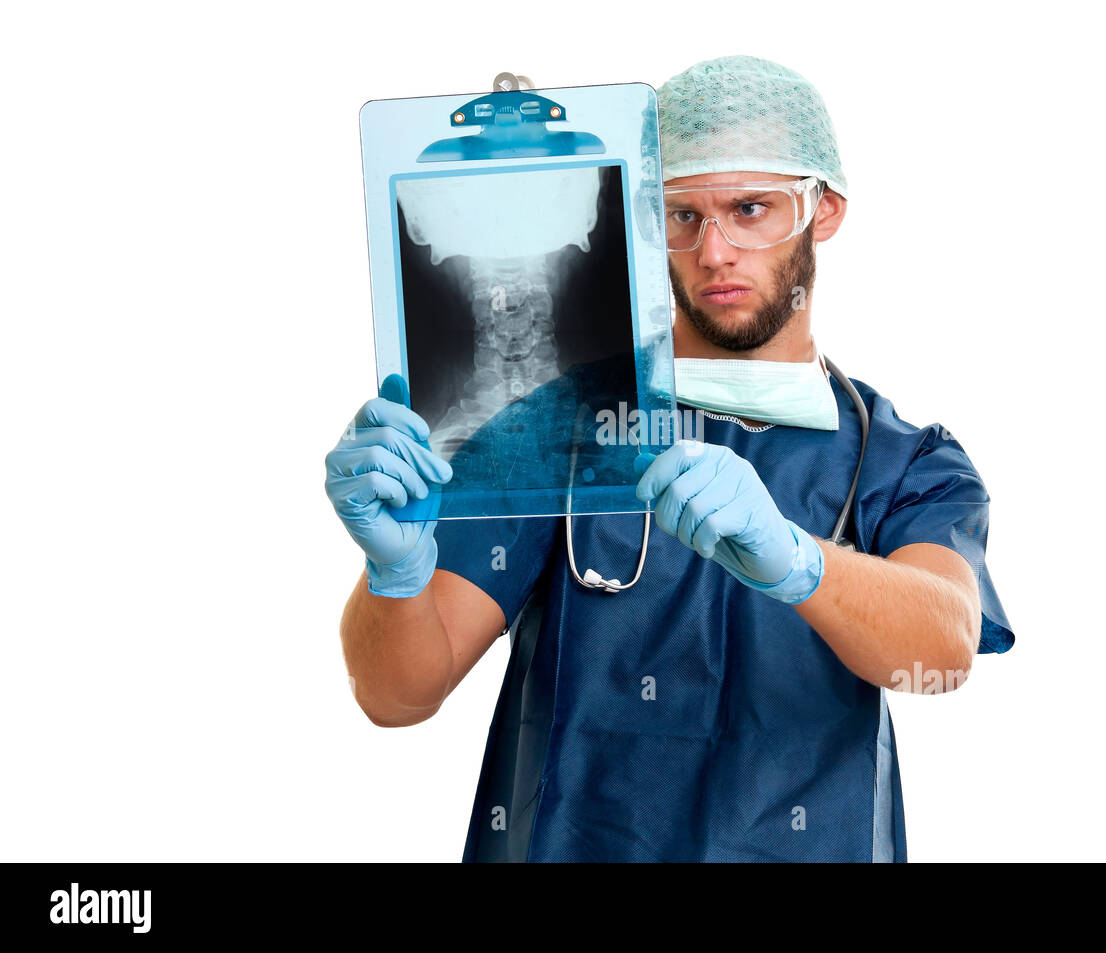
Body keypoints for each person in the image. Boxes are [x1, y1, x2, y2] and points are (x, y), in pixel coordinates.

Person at [324, 54, 1015, 862]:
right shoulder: (559, 427)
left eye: (750, 210)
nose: (714, 251)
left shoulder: (903, 459)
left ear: (822, 211)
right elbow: (395, 695)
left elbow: (944, 644)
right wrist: (395, 577)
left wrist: (800, 562)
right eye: (680, 216)